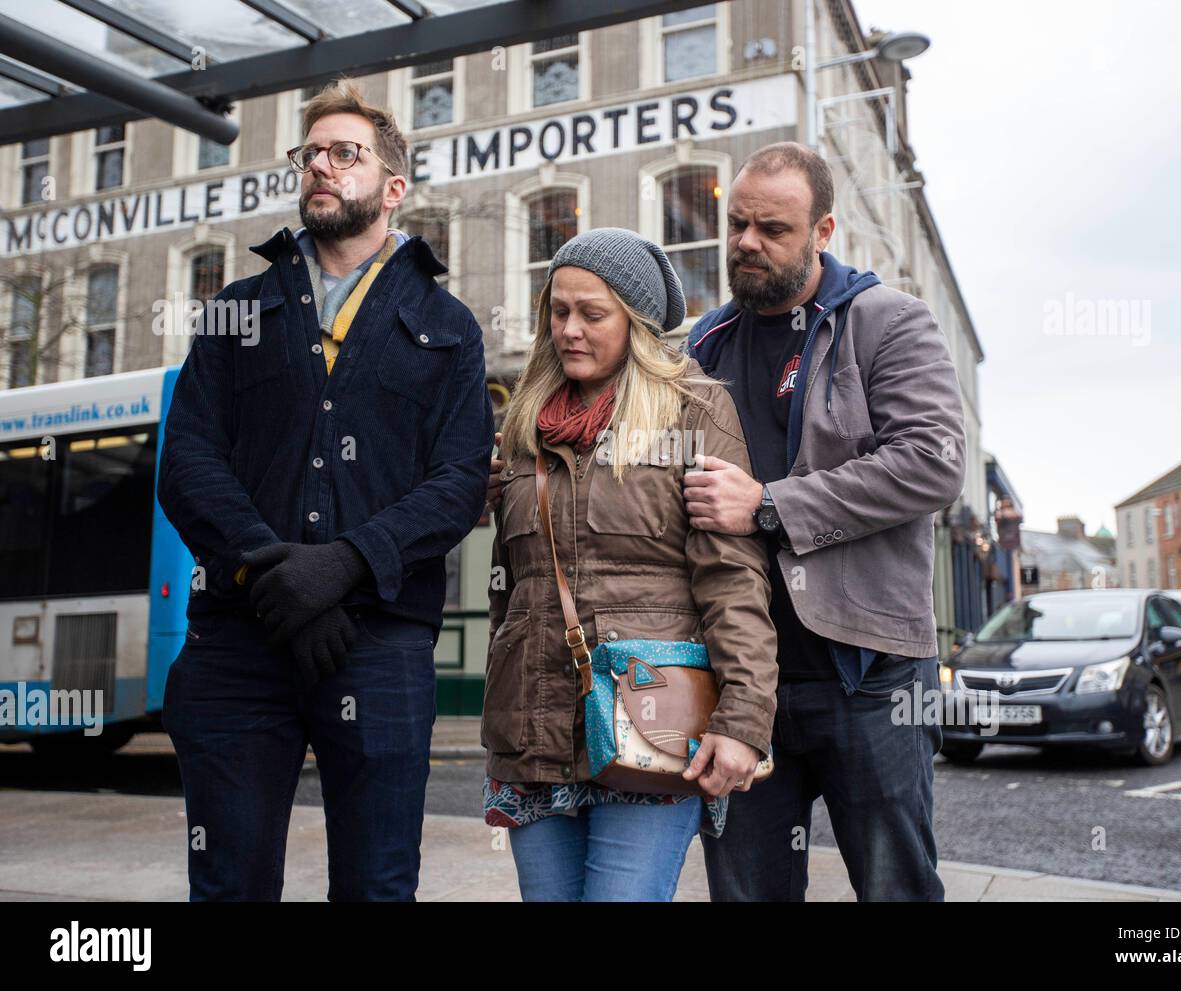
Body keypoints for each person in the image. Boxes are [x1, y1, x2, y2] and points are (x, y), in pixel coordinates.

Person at [157, 79, 493, 901]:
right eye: (311, 153)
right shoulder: (236, 312)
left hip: (378, 645)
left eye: (347, 153)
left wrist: (342, 566)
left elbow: (458, 484)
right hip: (239, 640)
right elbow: (189, 464)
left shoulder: (449, 326)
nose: (322, 166)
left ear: (393, 187)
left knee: (378, 885)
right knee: (228, 882)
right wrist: (276, 574)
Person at [681, 142, 967, 901]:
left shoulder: (889, 322)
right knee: (747, 892)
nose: (746, 242)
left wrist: (770, 504)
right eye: (736, 223)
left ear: (824, 230)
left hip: (869, 674)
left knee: (895, 886)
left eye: (772, 228)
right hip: (743, 685)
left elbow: (932, 462)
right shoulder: (700, 347)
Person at [482, 227, 778, 901]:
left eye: (592, 313)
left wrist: (743, 721)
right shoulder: (523, 421)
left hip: (652, 714)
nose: (569, 330)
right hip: (534, 723)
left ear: (636, 321)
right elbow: (513, 583)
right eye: (559, 311)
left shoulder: (694, 407)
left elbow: (733, 579)